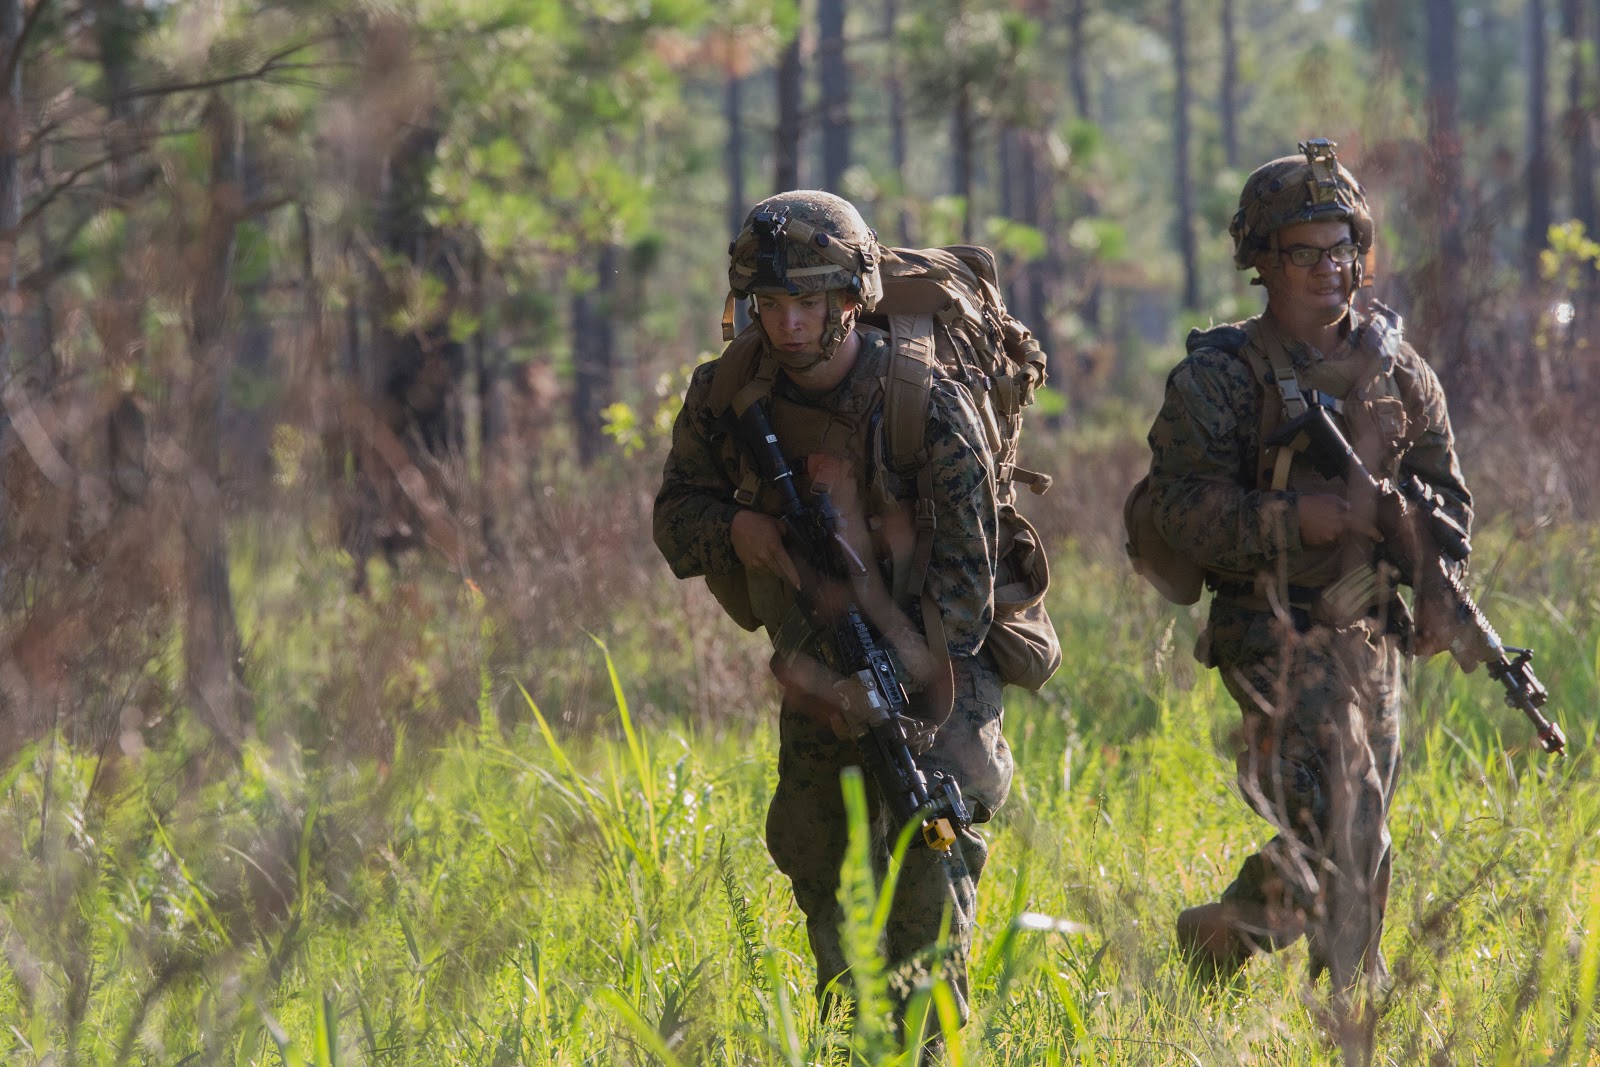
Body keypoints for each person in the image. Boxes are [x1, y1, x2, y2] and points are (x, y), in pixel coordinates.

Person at [653, 190, 1011, 1051]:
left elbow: (971, 574)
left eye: (807, 301)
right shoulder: (727, 392)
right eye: (769, 305)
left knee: (931, 843)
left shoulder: (919, 399)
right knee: (824, 854)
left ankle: (926, 1041)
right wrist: (739, 529)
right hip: (817, 654)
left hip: (935, 652)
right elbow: (675, 519)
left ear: (852, 297)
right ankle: (852, 1035)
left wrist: (903, 678)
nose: (786, 323)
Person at [1143, 140, 1472, 997]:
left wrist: (1440, 585)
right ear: (1262, 261)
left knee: (1343, 831)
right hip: (1271, 626)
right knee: (1351, 815)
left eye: (1342, 249)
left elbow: (1446, 499)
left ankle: (1225, 934)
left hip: (1371, 626)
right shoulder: (1219, 378)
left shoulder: (1401, 370)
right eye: (1303, 252)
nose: (1330, 269)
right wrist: (1297, 519)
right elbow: (1176, 508)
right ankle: (1355, 1002)